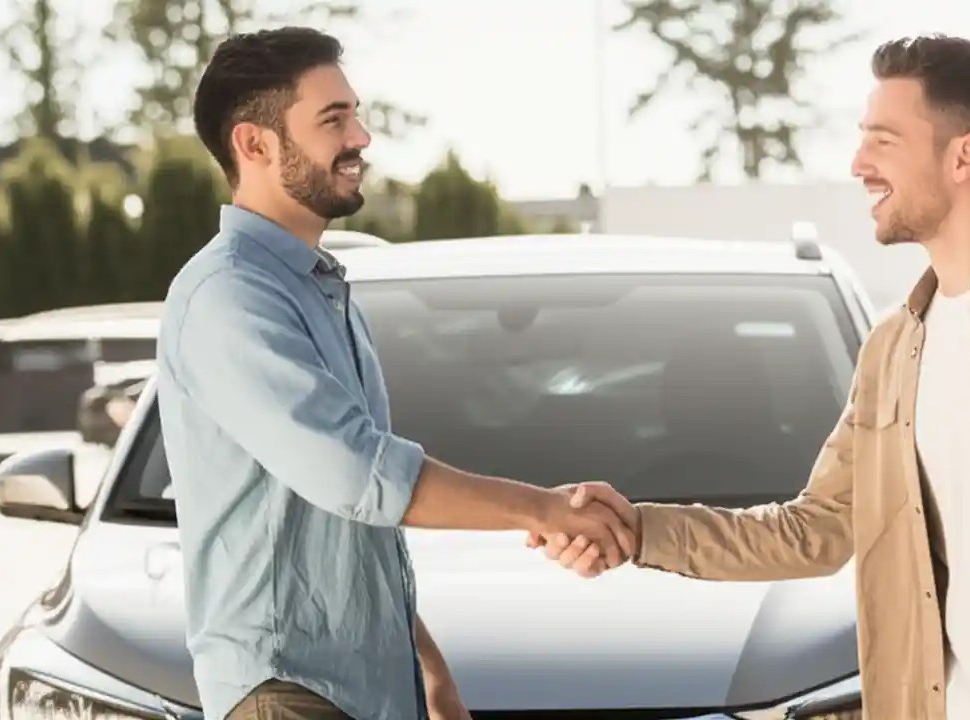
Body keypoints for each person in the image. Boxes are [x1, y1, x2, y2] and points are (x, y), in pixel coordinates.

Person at [532, 34, 970, 720]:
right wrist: (639, 531)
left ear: (964, 156)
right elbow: (815, 528)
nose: (857, 163)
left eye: (883, 139)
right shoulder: (891, 348)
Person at [156, 27, 634, 720]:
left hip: (360, 692)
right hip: (289, 691)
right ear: (254, 144)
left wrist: (430, 671)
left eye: (354, 113)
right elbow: (357, 476)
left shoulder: (320, 290)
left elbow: (351, 531)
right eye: (333, 119)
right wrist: (545, 508)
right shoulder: (229, 296)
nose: (361, 138)